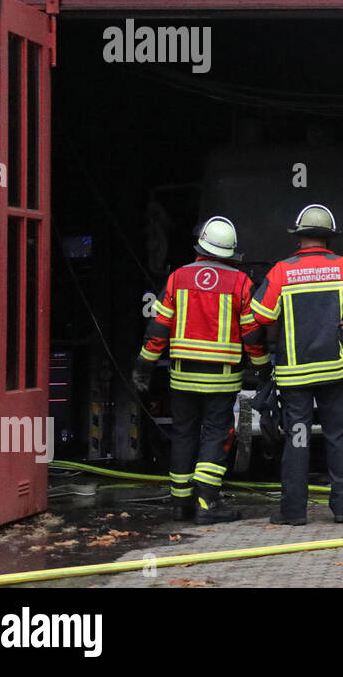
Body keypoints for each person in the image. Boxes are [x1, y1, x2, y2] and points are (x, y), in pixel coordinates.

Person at [250, 204, 343, 526]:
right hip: (337, 368)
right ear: (329, 238)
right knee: (338, 436)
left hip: (296, 373)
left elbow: (261, 316)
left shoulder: (282, 271)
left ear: (299, 237)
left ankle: (294, 512)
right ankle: (342, 509)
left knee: (297, 438)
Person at [135, 216, 270, 524]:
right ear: (230, 252)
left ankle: (181, 504)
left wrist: (144, 365)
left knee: (183, 434)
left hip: (182, 375)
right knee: (215, 434)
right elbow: (252, 335)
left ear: (202, 246)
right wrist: (263, 369)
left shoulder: (177, 278)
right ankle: (207, 504)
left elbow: (158, 328)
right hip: (221, 378)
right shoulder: (241, 283)